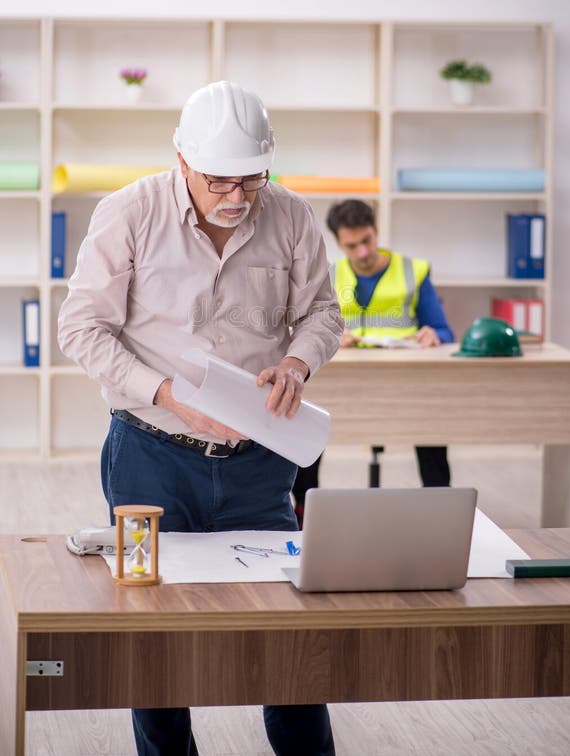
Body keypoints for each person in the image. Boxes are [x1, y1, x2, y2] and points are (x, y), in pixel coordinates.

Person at [57, 80, 343, 756]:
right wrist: (161, 391)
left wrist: (297, 363)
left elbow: (322, 316)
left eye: (252, 179)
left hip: (259, 461)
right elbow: (81, 327)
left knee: (288, 634)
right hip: (148, 454)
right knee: (152, 639)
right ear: (182, 160)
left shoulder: (292, 216)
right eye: (219, 181)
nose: (237, 198)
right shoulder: (129, 212)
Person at [292, 198, 453, 524]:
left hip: (405, 384)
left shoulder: (413, 271)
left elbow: (443, 330)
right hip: (344, 387)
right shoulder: (329, 276)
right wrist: (331, 337)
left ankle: (441, 507)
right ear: (339, 243)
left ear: (376, 232)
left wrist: (432, 336)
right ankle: (305, 510)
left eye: (366, 241)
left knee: (433, 421)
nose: (362, 252)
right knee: (307, 424)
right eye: (352, 246)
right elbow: (303, 329)